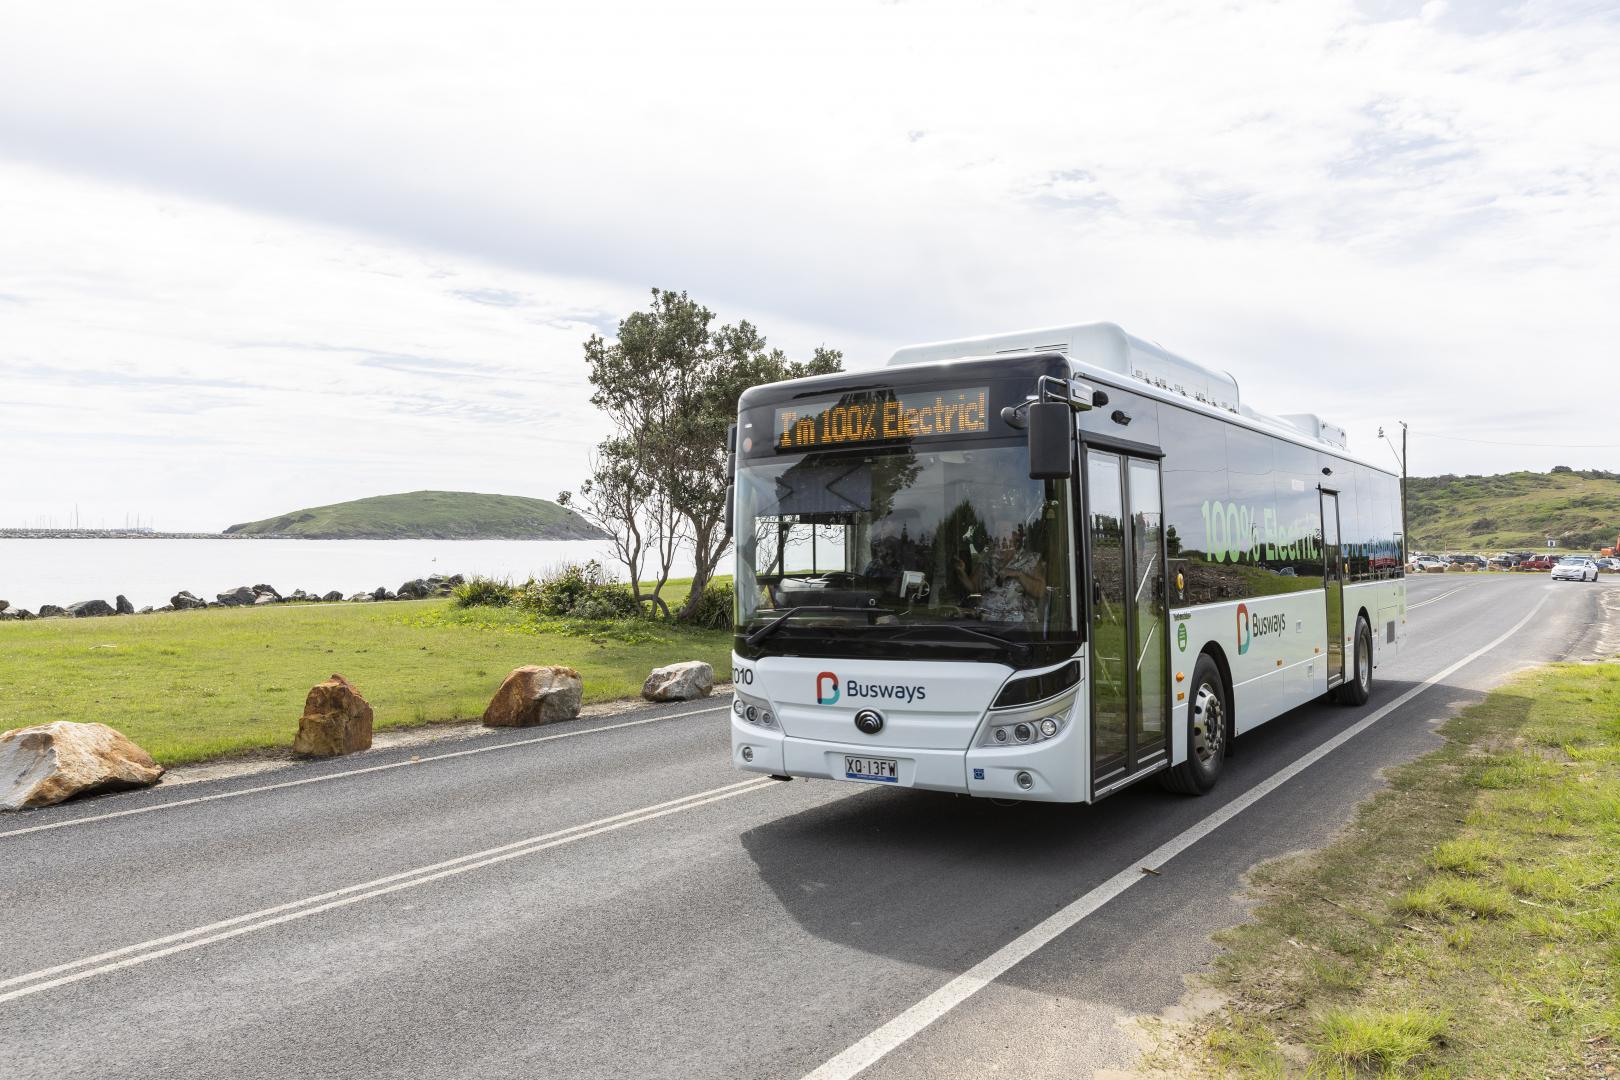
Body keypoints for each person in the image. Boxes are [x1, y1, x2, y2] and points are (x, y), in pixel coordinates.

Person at [953, 502, 1047, 623]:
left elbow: (1040, 592)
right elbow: (973, 588)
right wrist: (961, 573)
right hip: (985, 621)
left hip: (1017, 626)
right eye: (999, 531)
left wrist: (1018, 574)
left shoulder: (1031, 559)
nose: (1003, 535)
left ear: (1016, 535)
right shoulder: (988, 557)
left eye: (1006, 530)